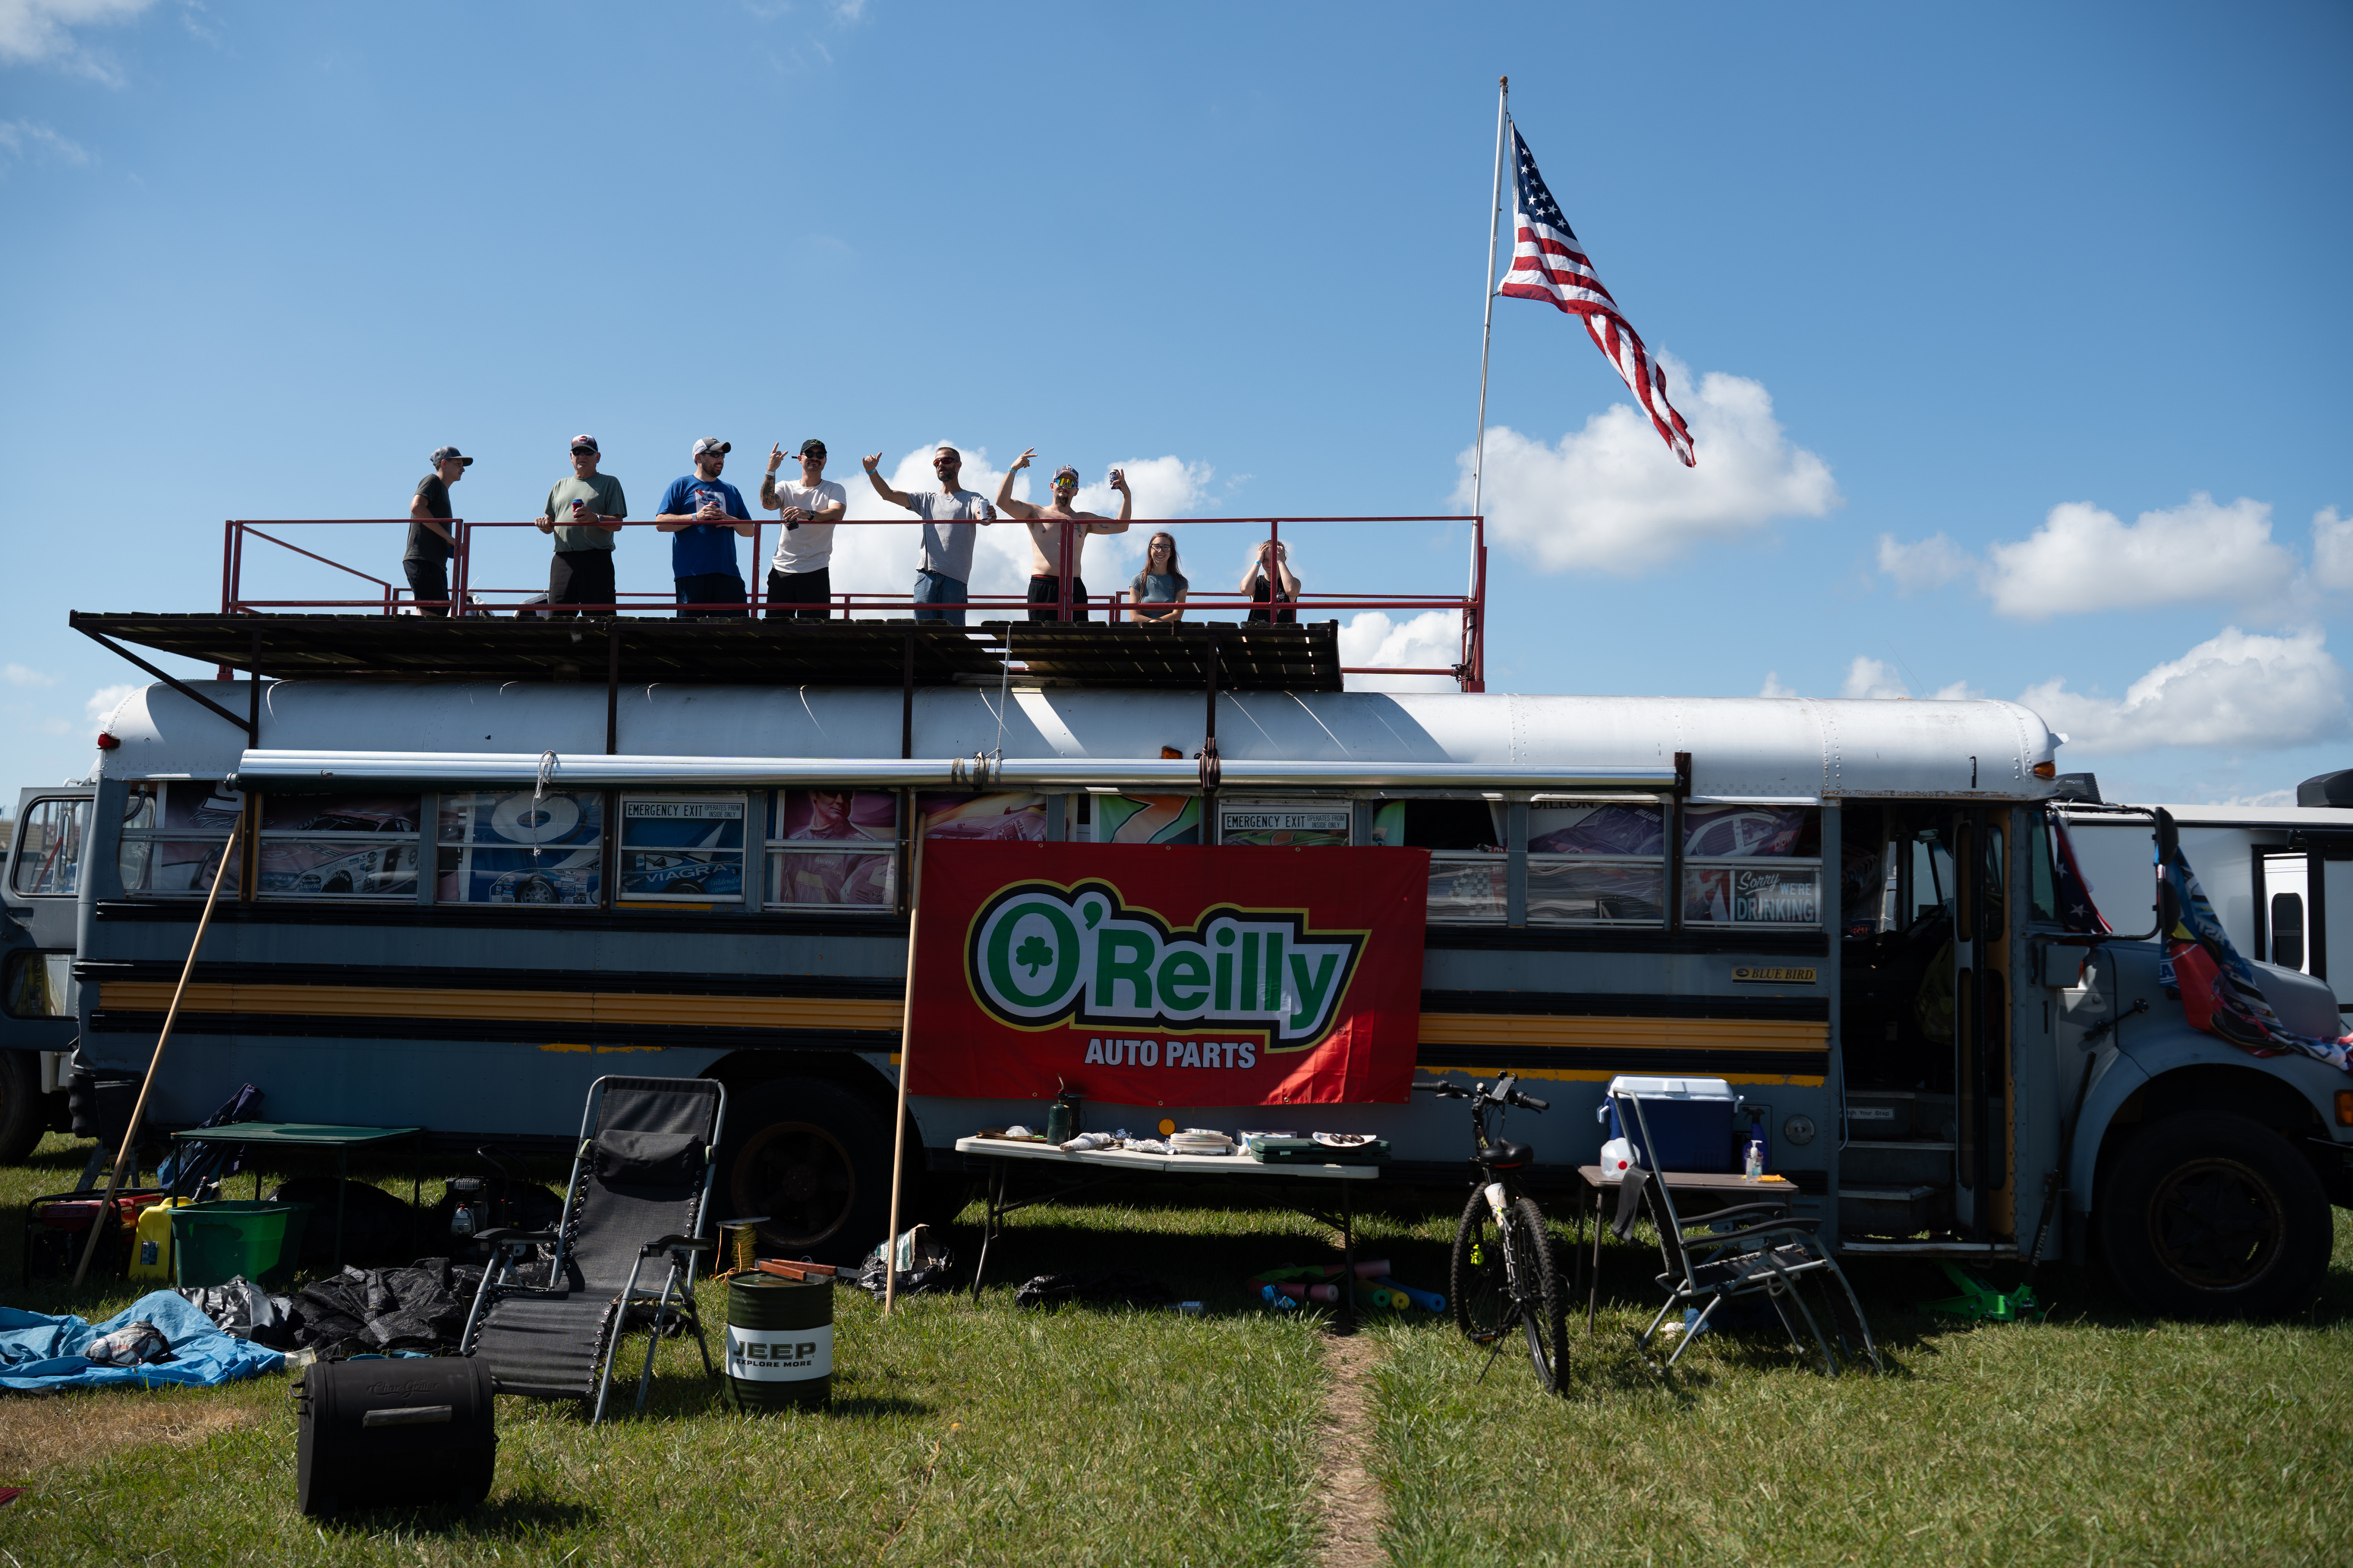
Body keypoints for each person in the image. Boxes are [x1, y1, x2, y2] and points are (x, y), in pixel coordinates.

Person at [862, 444, 995, 626]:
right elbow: (888, 494)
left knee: (952, 638)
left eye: (946, 460)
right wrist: (872, 472)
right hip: (926, 575)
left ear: (958, 465)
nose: (940, 464)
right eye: (937, 462)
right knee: (922, 637)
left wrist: (986, 517)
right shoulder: (926, 499)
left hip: (955, 578)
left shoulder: (971, 498)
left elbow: (981, 514)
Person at [993, 450, 1132, 622]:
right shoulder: (1036, 513)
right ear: (1052, 485)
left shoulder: (1083, 520)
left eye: (1071, 483)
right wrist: (1013, 469)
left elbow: (1121, 526)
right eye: (1061, 481)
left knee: (1076, 642)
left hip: (1074, 586)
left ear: (1076, 491)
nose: (1065, 486)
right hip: (1043, 584)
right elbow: (1002, 502)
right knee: (1042, 641)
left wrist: (1127, 495)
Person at [655, 437, 755, 618]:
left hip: (728, 573)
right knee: (691, 636)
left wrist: (729, 519)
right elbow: (661, 523)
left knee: (737, 634)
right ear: (699, 457)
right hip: (692, 573)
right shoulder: (681, 485)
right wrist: (696, 517)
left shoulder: (731, 490)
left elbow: (750, 531)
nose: (721, 460)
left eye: (723, 455)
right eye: (715, 454)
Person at [537, 435, 628, 616]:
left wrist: (596, 518)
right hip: (563, 559)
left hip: (596, 559)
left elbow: (618, 524)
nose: (582, 455)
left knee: (599, 621)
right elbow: (550, 522)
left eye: (588, 451)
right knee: (557, 620)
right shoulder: (559, 485)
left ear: (598, 457)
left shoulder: (610, 483)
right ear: (571, 457)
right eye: (577, 452)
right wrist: (544, 524)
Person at [759, 439, 847, 620]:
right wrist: (771, 470)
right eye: (810, 454)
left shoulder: (834, 489)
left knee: (815, 635)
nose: (815, 458)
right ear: (800, 458)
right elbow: (767, 504)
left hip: (816, 569)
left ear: (825, 460)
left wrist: (809, 514)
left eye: (820, 455)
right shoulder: (786, 487)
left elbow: (837, 512)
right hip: (782, 569)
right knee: (775, 632)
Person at [405, 445, 468, 616]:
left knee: (439, 612)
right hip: (423, 559)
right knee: (430, 615)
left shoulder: (443, 491)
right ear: (444, 463)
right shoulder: (432, 480)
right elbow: (417, 507)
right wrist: (451, 538)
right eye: (459, 464)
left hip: (435, 562)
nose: (463, 469)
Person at [1130, 531, 1187, 623]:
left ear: (1171, 552)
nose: (1160, 551)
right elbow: (1134, 617)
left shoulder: (1180, 582)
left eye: (1166, 547)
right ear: (1150, 550)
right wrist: (1152, 624)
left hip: (1169, 632)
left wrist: (1157, 623)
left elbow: (1177, 615)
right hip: (1144, 631)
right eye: (1156, 546)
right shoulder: (1138, 580)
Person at [1240, 538, 1300, 625]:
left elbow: (1291, 590)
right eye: (1265, 559)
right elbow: (1245, 589)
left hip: (1283, 633)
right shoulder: (1256, 582)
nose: (1270, 564)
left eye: (1275, 559)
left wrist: (1280, 562)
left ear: (1284, 559)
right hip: (1257, 631)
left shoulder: (1293, 582)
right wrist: (1258, 561)